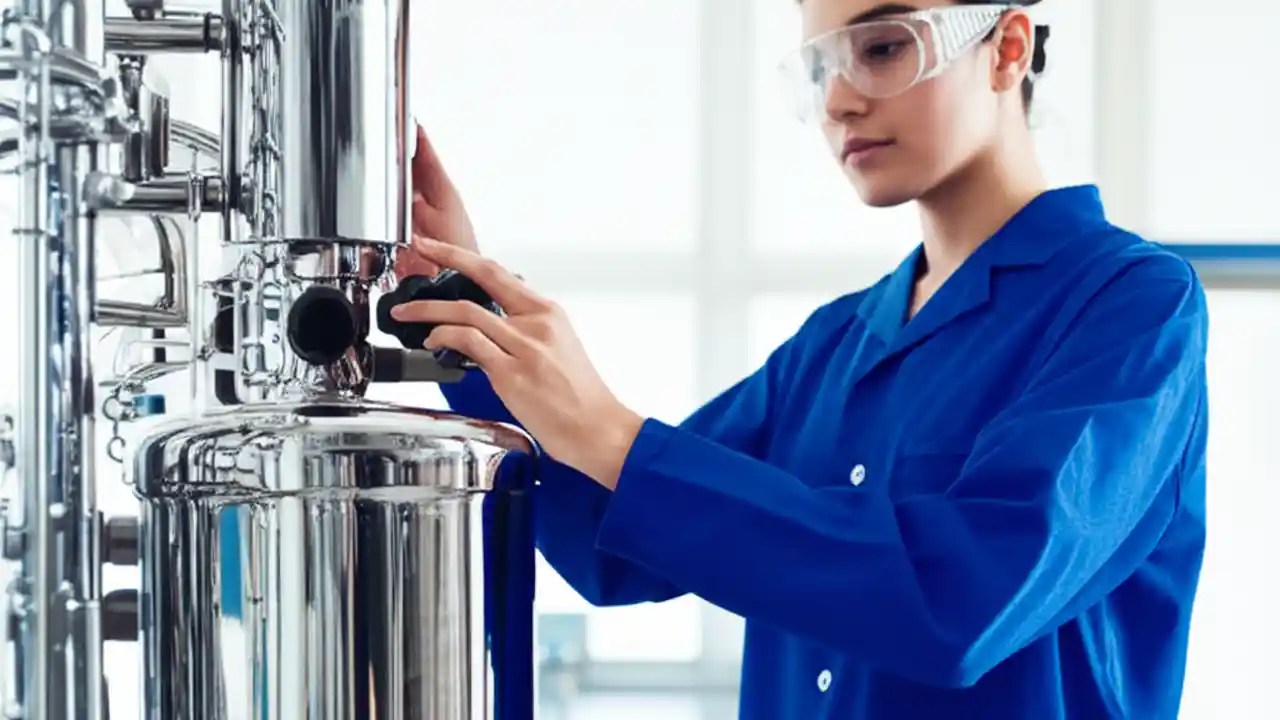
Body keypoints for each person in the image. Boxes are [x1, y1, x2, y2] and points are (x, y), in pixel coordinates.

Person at [392, 0, 1210, 717]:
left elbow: (962, 601)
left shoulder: (1131, 307)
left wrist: (613, 430)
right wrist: (473, 322)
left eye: (882, 47)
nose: (840, 99)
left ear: (1006, 48)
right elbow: (619, 541)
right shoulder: (838, 342)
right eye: (818, 66)